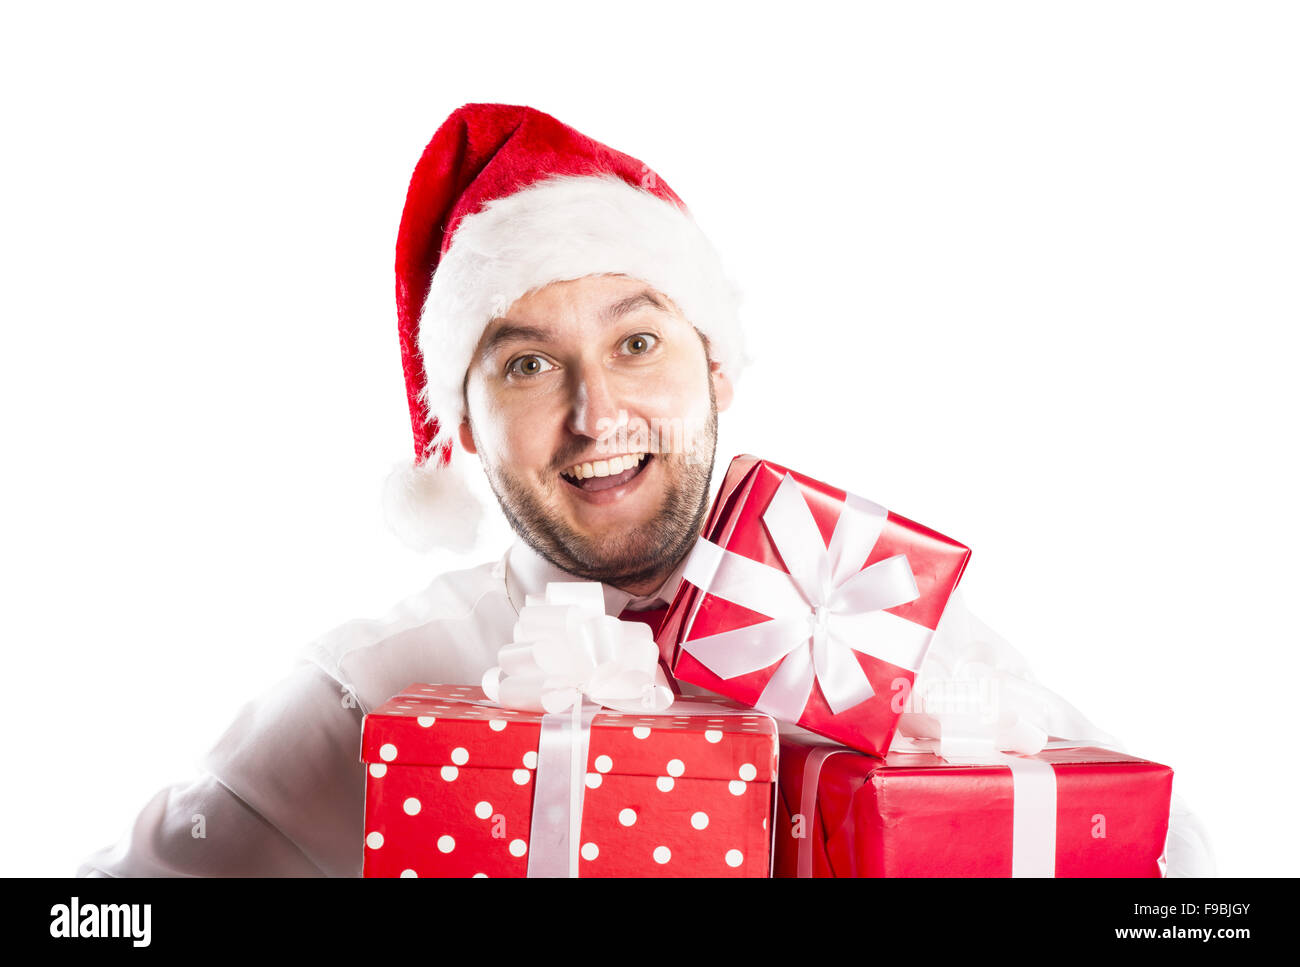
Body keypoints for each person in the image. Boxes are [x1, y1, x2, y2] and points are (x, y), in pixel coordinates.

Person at [77, 103, 1212, 877]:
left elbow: (1179, 882)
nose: (594, 413)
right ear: (457, 427)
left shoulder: (886, 633)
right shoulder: (364, 695)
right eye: (525, 363)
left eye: (637, 344)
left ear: (715, 364)